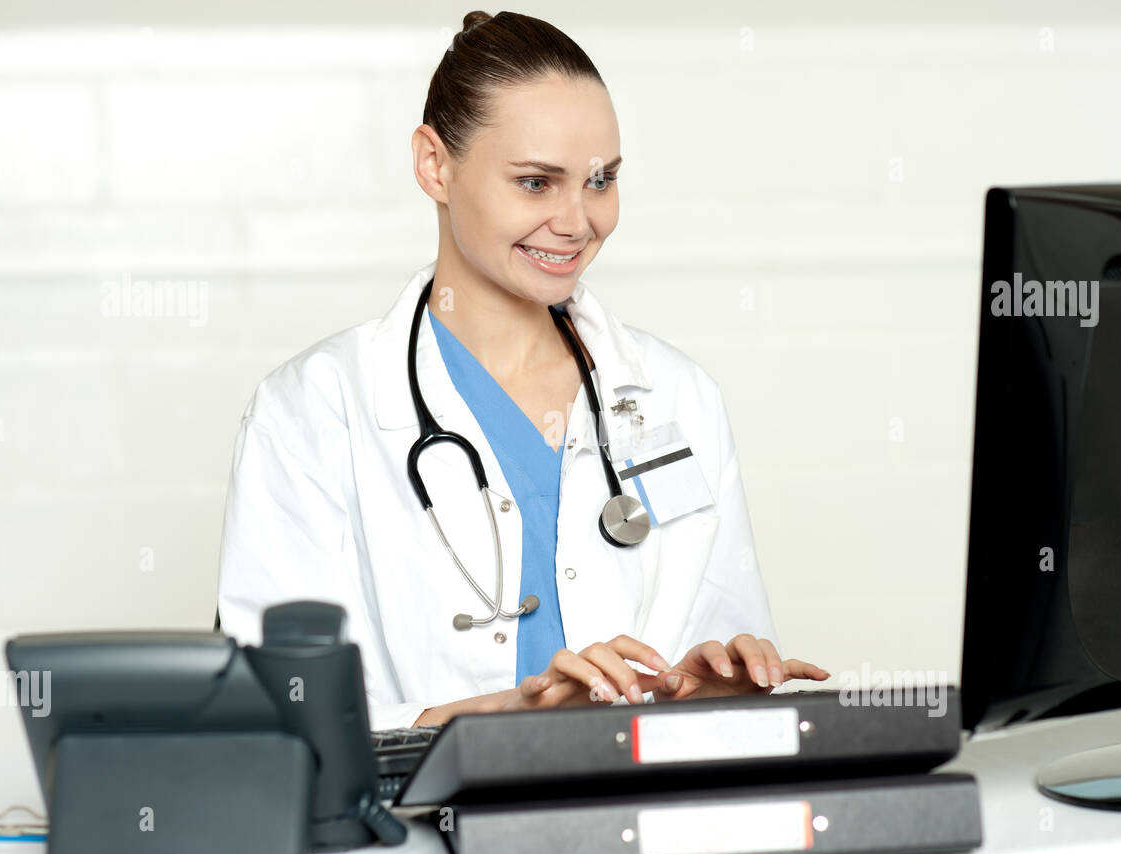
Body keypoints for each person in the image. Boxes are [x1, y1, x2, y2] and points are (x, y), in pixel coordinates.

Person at [217, 10, 829, 729]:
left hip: (642, 825)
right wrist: (503, 714)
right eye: (537, 183)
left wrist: (718, 690)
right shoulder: (314, 410)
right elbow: (277, 715)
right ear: (433, 165)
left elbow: (724, 644)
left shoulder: (677, 396)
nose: (577, 221)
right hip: (418, 835)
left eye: (600, 181)